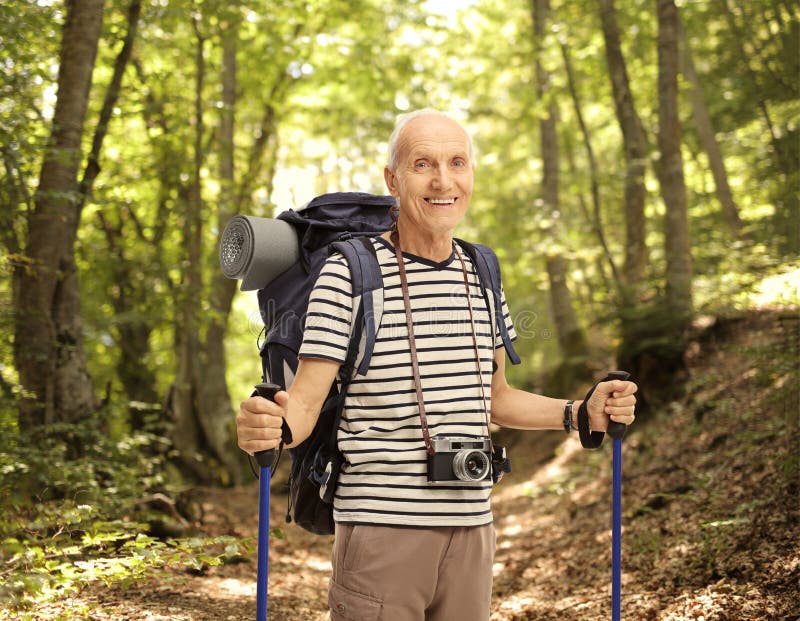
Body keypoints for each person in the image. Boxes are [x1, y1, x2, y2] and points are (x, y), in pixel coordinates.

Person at [236, 109, 637, 621]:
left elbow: (496, 398)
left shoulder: (483, 270)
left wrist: (581, 412)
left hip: (473, 529)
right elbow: (307, 402)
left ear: (471, 175)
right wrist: (270, 427)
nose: (443, 180)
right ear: (393, 180)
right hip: (381, 534)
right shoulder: (349, 271)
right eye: (423, 164)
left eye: (457, 163)